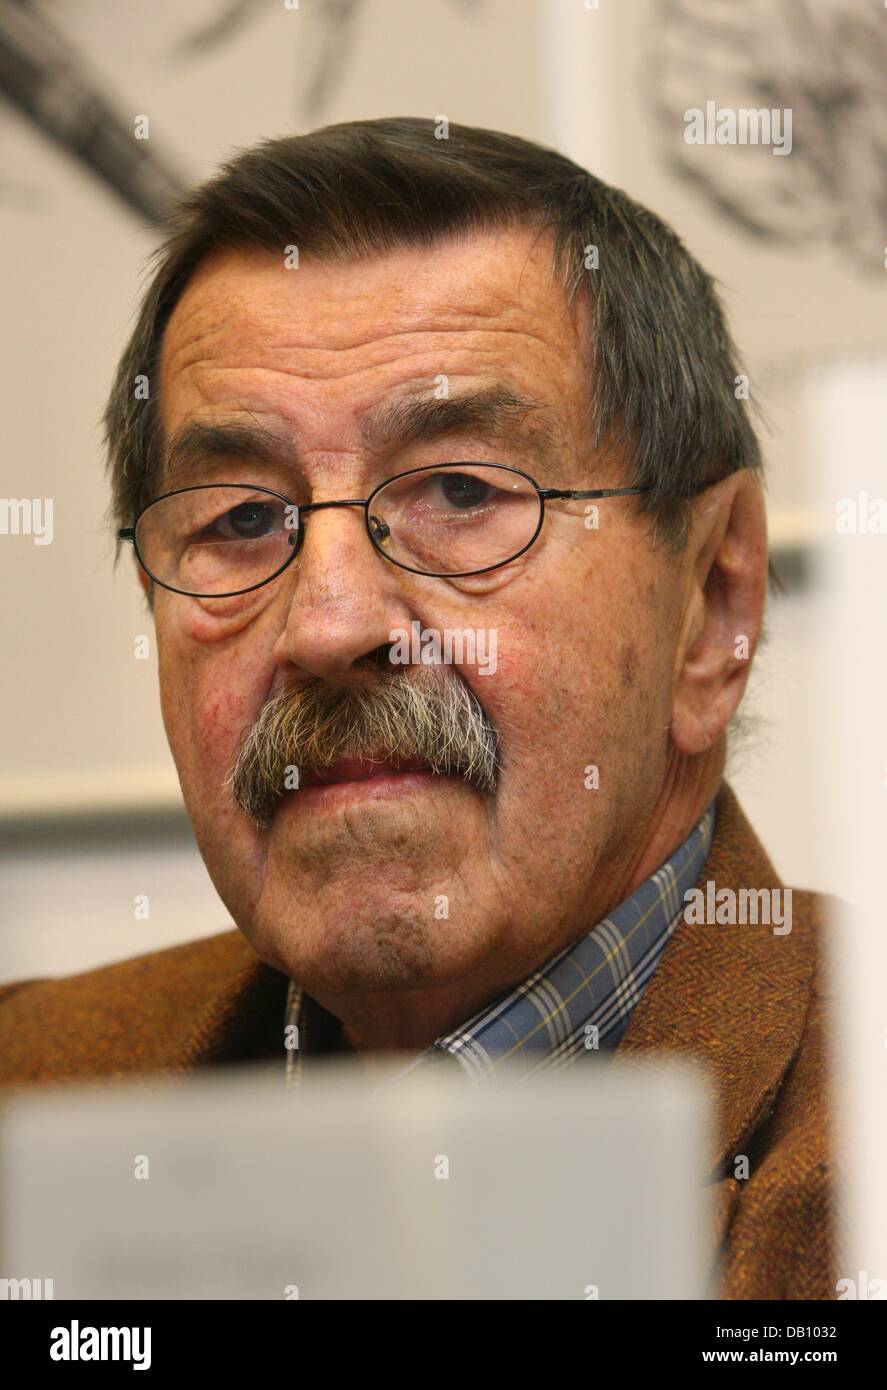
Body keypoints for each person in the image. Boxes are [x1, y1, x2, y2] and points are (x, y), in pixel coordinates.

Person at [0, 118, 835, 1298]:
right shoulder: (31, 1105)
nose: (329, 623)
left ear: (710, 604)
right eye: (239, 519)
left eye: (459, 490)